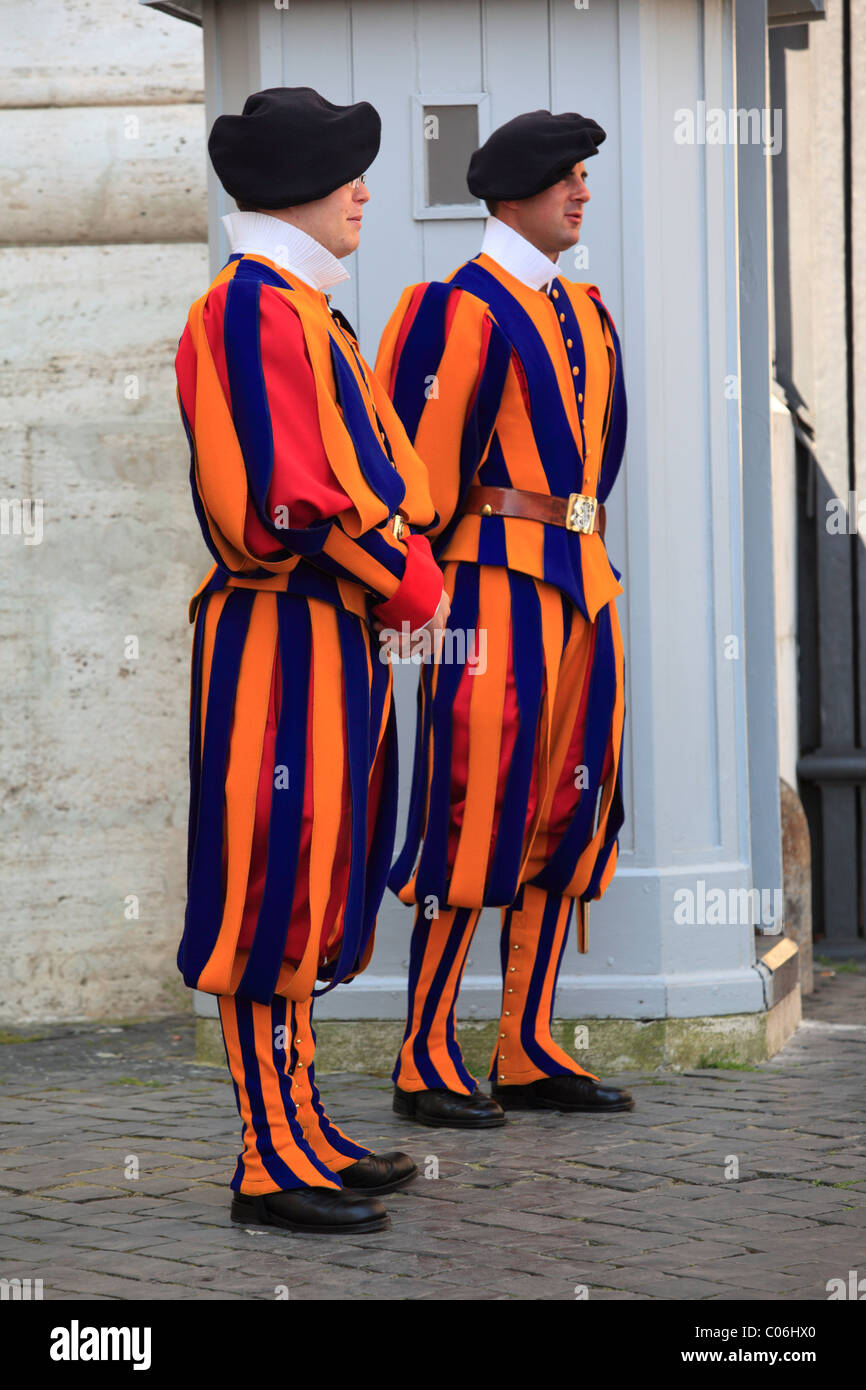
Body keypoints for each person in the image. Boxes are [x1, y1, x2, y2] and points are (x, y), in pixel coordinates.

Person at [174, 87, 449, 1232]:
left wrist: (389, 572)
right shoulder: (253, 311)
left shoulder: (294, 307)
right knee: (268, 885)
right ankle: (264, 1157)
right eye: (348, 173)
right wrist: (403, 571)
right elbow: (289, 500)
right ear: (300, 185)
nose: (365, 193)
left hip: (318, 630)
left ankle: (300, 1123)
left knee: (315, 877)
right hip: (278, 630)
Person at [375, 109, 633, 1128]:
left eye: (583, 175)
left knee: (566, 811)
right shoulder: (452, 308)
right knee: (467, 807)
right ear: (509, 194)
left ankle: (522, 1043)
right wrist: (409, 608)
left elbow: (598, 458)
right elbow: (415, 476)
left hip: (580, 581)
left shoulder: (586, 309)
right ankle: (423, 1052)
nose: (579, 190)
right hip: (485, 585)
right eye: (561, 177)